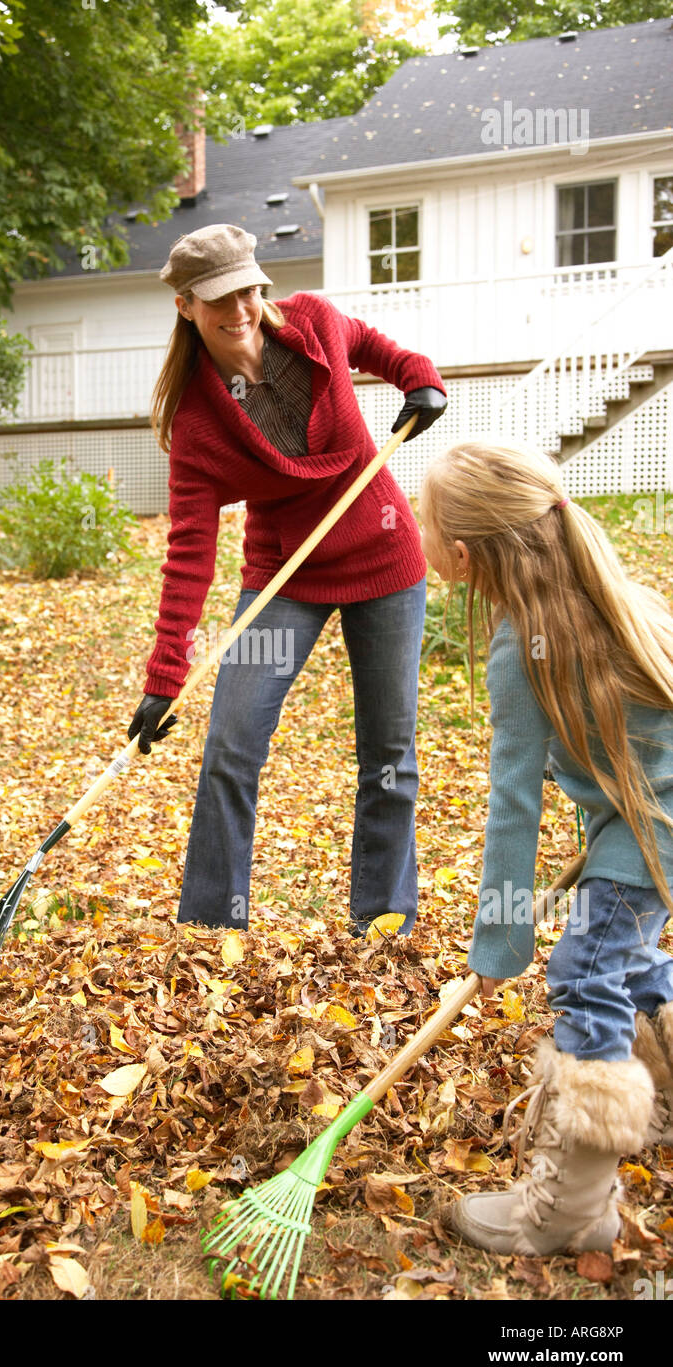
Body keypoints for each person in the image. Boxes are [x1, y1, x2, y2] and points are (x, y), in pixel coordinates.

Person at [127, 223, 447, 938]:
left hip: (384, 558)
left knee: (389, 751)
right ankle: (212, 927)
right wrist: (164, 677)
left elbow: (377, 348)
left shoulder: (313, 322)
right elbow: (188, 554)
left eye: (248, 289)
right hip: (286, 575)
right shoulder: (198, 424)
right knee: (231, 743)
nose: (240, 309)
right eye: (219, 299)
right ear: (186, 306)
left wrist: (419, 378)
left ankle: (384, 919)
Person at [417, 439, 673, 1256]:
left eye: (423, 519)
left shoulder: (521, 649)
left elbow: (513, 810)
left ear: (461, 555)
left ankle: (570, 1212)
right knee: (638, 969)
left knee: (589, 974)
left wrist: (499, 942)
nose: (415, 529)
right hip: (648, 833)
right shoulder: (617, 598)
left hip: (651, 841)